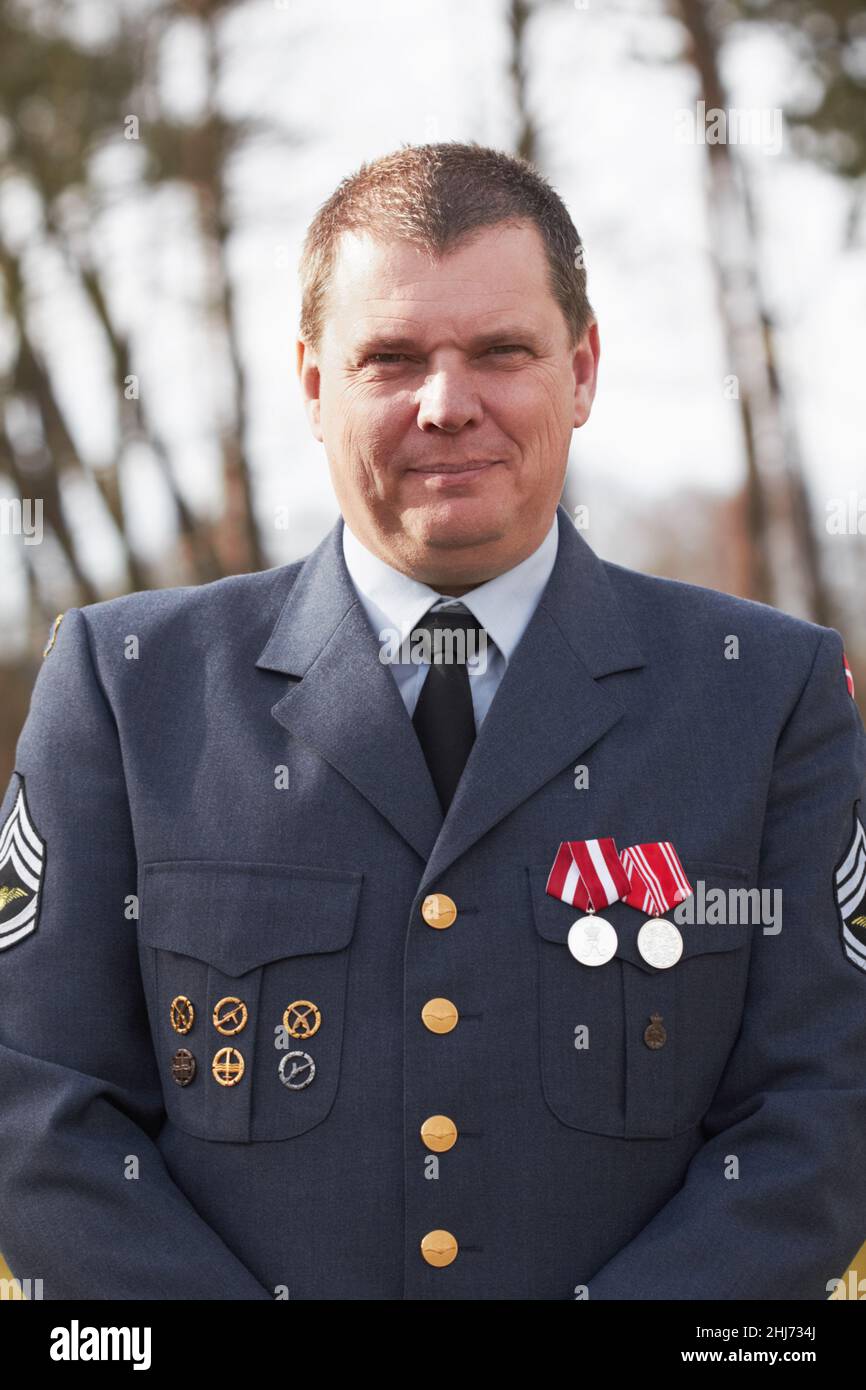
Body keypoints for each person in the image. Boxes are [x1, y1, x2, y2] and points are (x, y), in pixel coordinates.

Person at [0, 141, 864, 1301]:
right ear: (312, 383)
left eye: (501, 351)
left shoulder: (764, 697)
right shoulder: (127, 687)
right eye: (390, 357)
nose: (447, 404)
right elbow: (38, 1104)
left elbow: (821, 1108)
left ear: (582, 369)